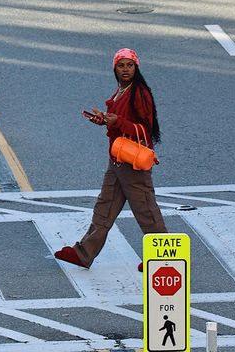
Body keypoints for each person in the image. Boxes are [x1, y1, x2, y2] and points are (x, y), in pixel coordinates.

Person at [55, 48, 167, 272]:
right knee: (104, 208)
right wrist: (104, 120)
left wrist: (117, 122)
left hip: (132, 161)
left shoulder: (139, 93)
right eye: (121, 65)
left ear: (137, 67)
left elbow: (146, 130)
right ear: (114, 68)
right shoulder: (122, 90)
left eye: (130, 65)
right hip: (117, 159)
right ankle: (83, 254)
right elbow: (118, 122)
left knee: (146, 210)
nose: (125, 69)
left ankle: (163, 258)